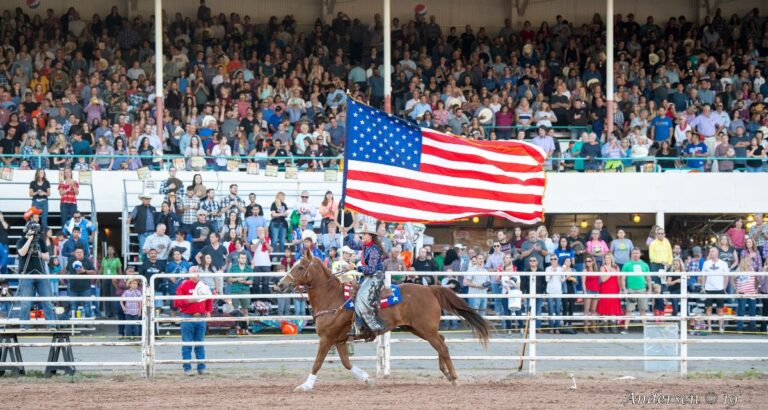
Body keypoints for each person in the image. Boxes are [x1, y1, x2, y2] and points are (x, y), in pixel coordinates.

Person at [16, 210, 57, 329]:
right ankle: (24, 326)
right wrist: (29, 239)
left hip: (40, 274)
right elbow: (22, 253)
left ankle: (51, 325)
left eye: (35, 230)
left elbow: (47, 257)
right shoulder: (21, 241)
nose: (34, 232)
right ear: (27, 229)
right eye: (31, 229)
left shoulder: (40, 241)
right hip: (26, 275)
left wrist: (39, 254)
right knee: (26, 302)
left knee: (47, 301)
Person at [345, 223, 387, 340]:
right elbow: (353, 245)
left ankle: (362, 326)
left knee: (360, 297)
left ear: (370, 236)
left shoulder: (374, 250)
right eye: (362, 234)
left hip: (375, 276)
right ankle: (359, 324)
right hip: (368, 276)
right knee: (355, 294)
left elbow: (372, 269)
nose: (362, 236)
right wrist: (345, 235)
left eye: (364, 234)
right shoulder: (365, 245)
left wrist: (355, 267)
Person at [174, 267, 214, 376]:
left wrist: (208, 311)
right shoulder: (183, 286)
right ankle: (187, 369)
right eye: (193, 271)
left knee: (200, 343)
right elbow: (177, 302)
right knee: (187, 343)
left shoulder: (203, 285)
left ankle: (201, 368)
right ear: (189, 273)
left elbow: (209, 299)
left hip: (200, 317)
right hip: (188, 317)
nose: (196, 273)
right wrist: (189, 300)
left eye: (197, 271)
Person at [621, 248, 652, 334]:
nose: (635, 255)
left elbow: (648, 278)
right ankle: (625, 328)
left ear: (640, 254)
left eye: (637, 253)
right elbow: (623, 278)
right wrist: (624, 289)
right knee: (629, 310)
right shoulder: (627, 264)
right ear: (631, 254)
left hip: (642, 289)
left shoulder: (644, 265)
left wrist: (649, 289)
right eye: (634, 253)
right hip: (631, 289)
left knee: (643, 310)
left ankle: (646, 329)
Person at [700, 247, 729, 334]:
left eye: (712, 251)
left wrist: (724, 288)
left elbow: (726, 277)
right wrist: (703, 287)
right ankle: (709, 327)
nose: (711, 252)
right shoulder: (706, 263)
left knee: (720, 309)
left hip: (719, 289)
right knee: (708, 308)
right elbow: (703, 276)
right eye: (710, 251)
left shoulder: (723, 263)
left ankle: (720, 327)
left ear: (717, 252)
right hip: (708, 289)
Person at [66, 248, 97, 318]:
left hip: (85, 288)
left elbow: (94, 272)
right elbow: (65, 270)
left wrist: (85, 271)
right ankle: (74, 323)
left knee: (87, 307)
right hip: (73, 288)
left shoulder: (87, 261)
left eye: (81, 252)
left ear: (83, 253)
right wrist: (62, 277)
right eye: (77, 252)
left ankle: (88, 322)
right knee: (73, 307)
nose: (79, 253)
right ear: (74, 253)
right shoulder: (71, 261)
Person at [596, 253, 623, 333]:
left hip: (615, 289)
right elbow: (603, 279)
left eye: (609, 258)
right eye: (606, 258)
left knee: (613, 307)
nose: (607, 259)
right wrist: (610, 272)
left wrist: (620, 288)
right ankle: (605, 327)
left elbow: (618, 278)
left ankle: (613, 326)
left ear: (611, 259)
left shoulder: (616, 267)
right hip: (605, 288)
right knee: (605, 305)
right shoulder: (602, 267)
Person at [732, 258, 758, 332]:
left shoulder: (752, 269)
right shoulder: (739, 269)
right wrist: (735, 288)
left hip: (752, 293)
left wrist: (756, 288)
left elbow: (756, 280)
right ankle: (739, 328)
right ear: (744, 262)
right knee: (741, 311)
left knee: (753, 311)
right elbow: (732, 279)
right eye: (749, 261)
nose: (750, 262)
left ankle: (752, 328)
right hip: (742, 292)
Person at [545, 255, 564, 333]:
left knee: (557, 309)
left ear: (557, 260)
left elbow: (562, 280)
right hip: (550, 291)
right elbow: (547, 280)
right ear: (550, 260)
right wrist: (552, 273)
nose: (553, 260)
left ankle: (557, 328)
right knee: (550, 309)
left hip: (558, 291)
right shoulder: (547, 269)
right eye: (551, 259)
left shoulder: (560, 269)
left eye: (555, 259)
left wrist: (561, 273)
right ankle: (551, 328)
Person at [581, 256, 600, 333]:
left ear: (593, 261)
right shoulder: (585, 270)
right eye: (586, 261)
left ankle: (593, 327)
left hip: (596, 290)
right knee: (586, 309)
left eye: (589, 261)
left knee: (593, 310)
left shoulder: (596, 270)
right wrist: (585, 292)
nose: (587, 262)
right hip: (588, 290)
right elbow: (583, 282)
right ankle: (586, 327)